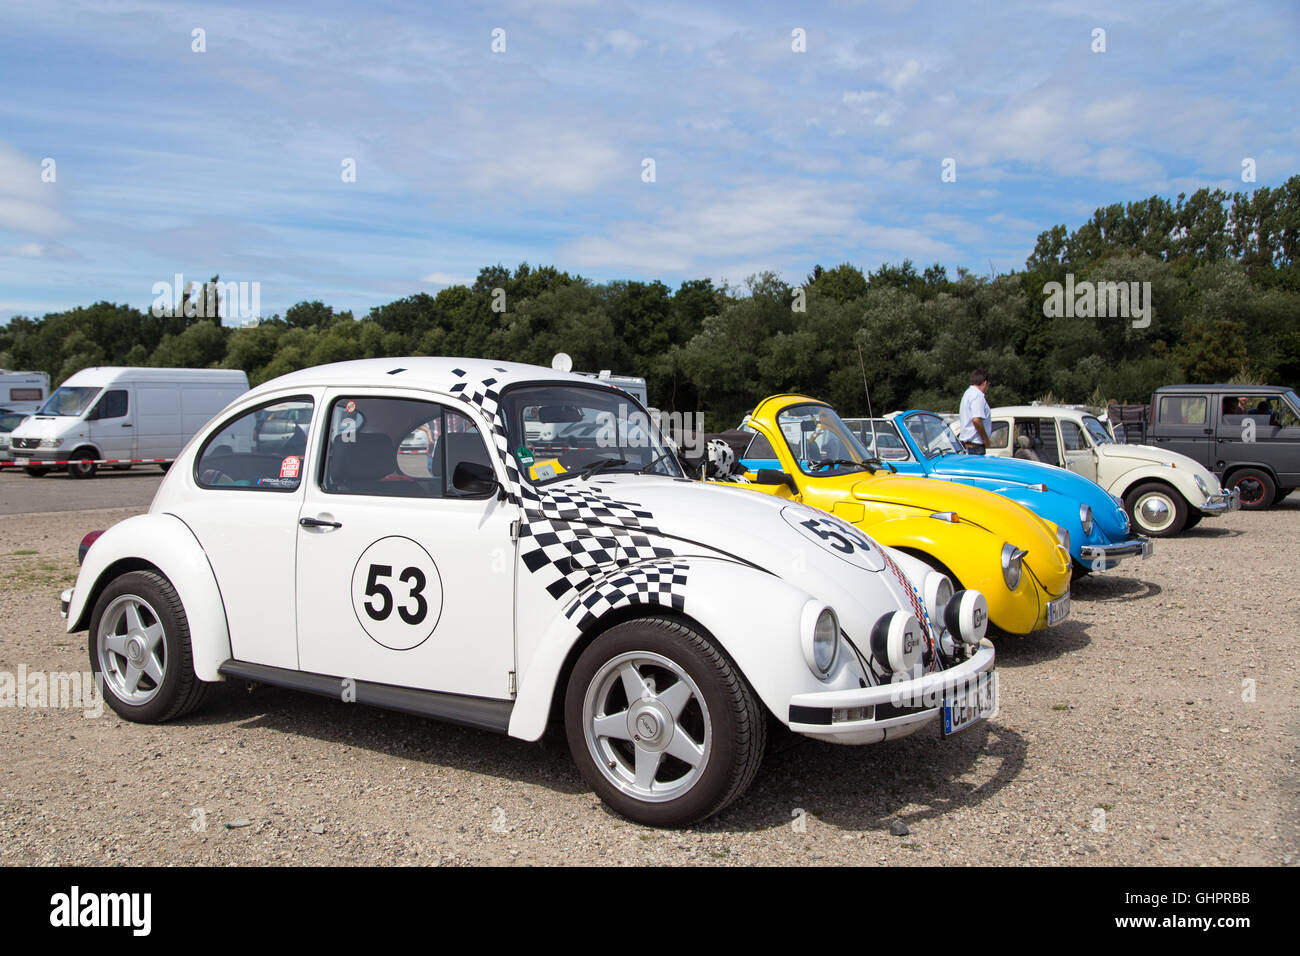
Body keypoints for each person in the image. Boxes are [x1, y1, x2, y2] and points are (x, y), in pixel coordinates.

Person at [958, 369, 992, 455]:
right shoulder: (977, 395)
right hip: (975, 445)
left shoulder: (968, 393)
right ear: (985, 383)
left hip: (968, 444)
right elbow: (976, 420)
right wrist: (986, 440)